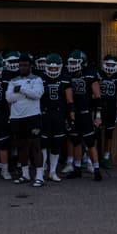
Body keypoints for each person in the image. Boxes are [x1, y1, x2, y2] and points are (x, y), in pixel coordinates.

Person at [6, 53, 45, 186]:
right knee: (21, 146)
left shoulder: (37, 79)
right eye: (20, 65)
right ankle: (25, 175)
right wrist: (26, 94)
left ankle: (40, 176)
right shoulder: (13, 80)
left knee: (35, 146)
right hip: (16, 118)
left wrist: (21, 89)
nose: (22, 67)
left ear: (30, 66)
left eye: (25, 65)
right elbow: (9, 98)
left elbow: (37, 94)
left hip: (33, 117)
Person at [65, 50, 103, 181]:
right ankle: (77, 168)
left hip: (86, 113)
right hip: (73, 113)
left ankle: (97, 169)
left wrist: (98, 116)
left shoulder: (90, 73)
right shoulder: (68, 74)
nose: (72, 64)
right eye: (71, 62)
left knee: (90, 142)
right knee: (76, 141)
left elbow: (98, 96)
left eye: (75, 62)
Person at [39, 53, 70, 183]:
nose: (53, 70)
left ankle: (53, 171)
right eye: (50, 68)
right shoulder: (40, 78)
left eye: (55, 68)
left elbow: (70, 100)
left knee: (56, 144)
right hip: (44, 115)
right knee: (43, 144)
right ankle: (44, 170)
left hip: (59, 115)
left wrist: (71, 118)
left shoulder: (65, 78)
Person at [96, 54, 117, 170]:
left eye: (112, 65)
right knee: (95, 133)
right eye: (108, 64)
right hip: (99, 108)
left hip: (111, 109)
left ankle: (106, 156)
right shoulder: (100, 75)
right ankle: (90, 157)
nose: (109, 67)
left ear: (116, 65)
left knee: (109, 134)